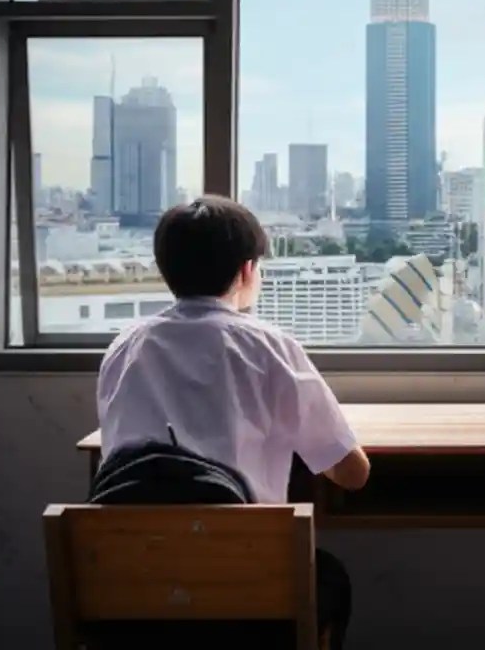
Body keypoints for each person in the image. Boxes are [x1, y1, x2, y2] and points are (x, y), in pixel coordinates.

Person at [96, 195, 370, 649]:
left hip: (134, 586)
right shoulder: (267, 345)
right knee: (329, 579)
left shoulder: (125, 348)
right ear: (247, 271)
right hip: (242, 584)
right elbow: (352, 473)